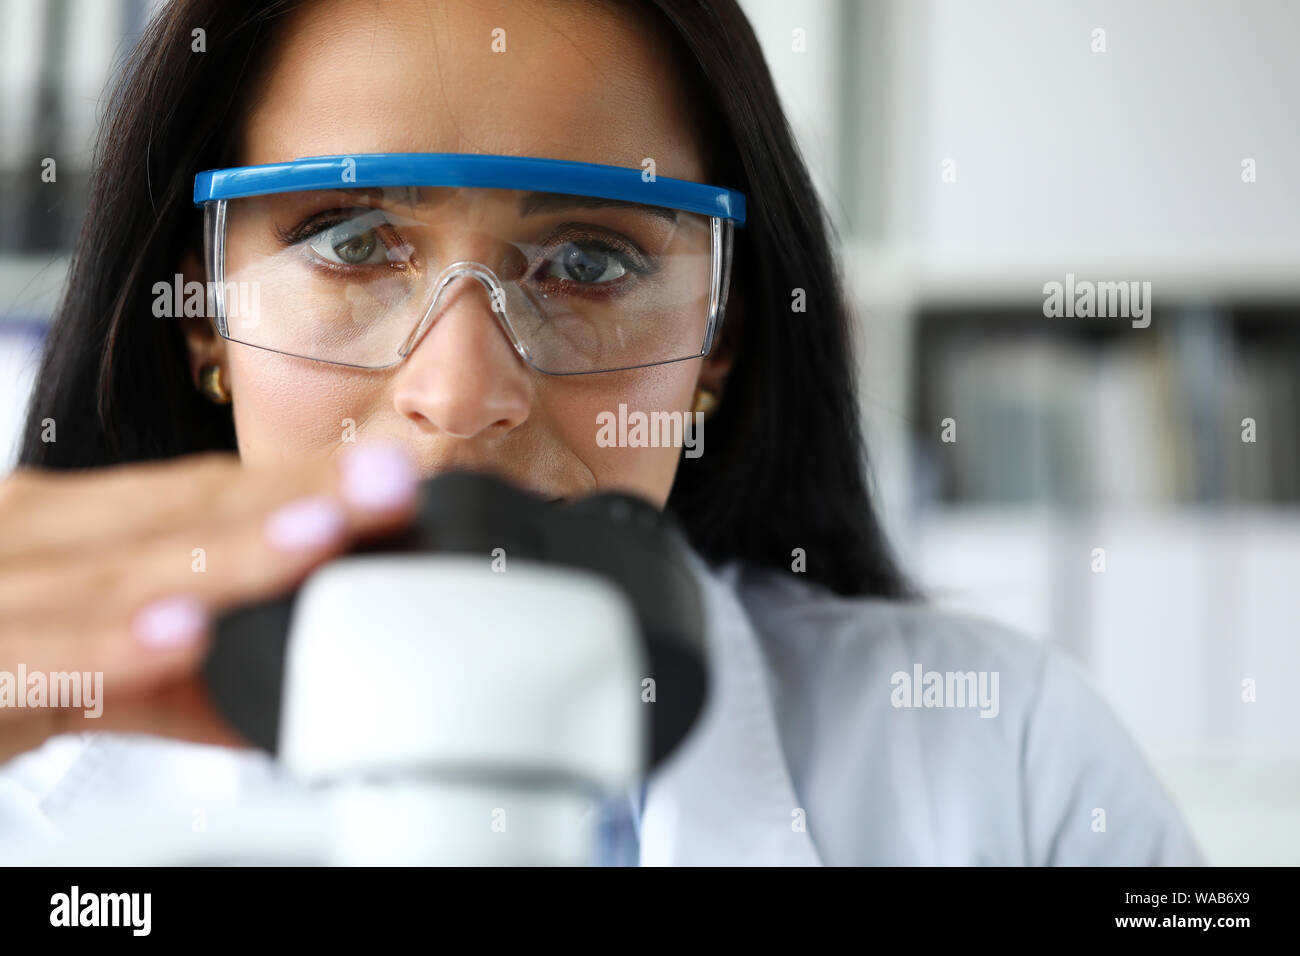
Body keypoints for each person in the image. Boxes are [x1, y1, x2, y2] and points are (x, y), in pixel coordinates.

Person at [0, 0, 1202, 865]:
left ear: (716, 346)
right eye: (352, 243)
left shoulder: (1008, 761)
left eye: (587, 262)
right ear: (201, 314)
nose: (461, 393)